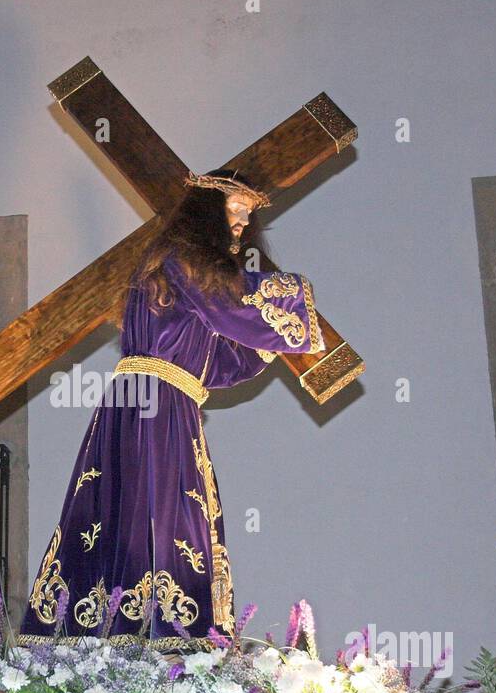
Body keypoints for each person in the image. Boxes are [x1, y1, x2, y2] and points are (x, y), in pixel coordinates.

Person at [17, 169, 324, 652]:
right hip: (153, 409)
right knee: (159, 511)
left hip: (156, 403)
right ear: (208, 210)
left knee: (148, 510)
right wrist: (292, 293)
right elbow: (241, 303)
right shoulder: (183, 260)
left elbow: (218, 363)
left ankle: (132, 630)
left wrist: (260, 345)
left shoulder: (179, 273)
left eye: (249, 216)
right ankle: (153, 633)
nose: (243, 223)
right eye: (235, 211)